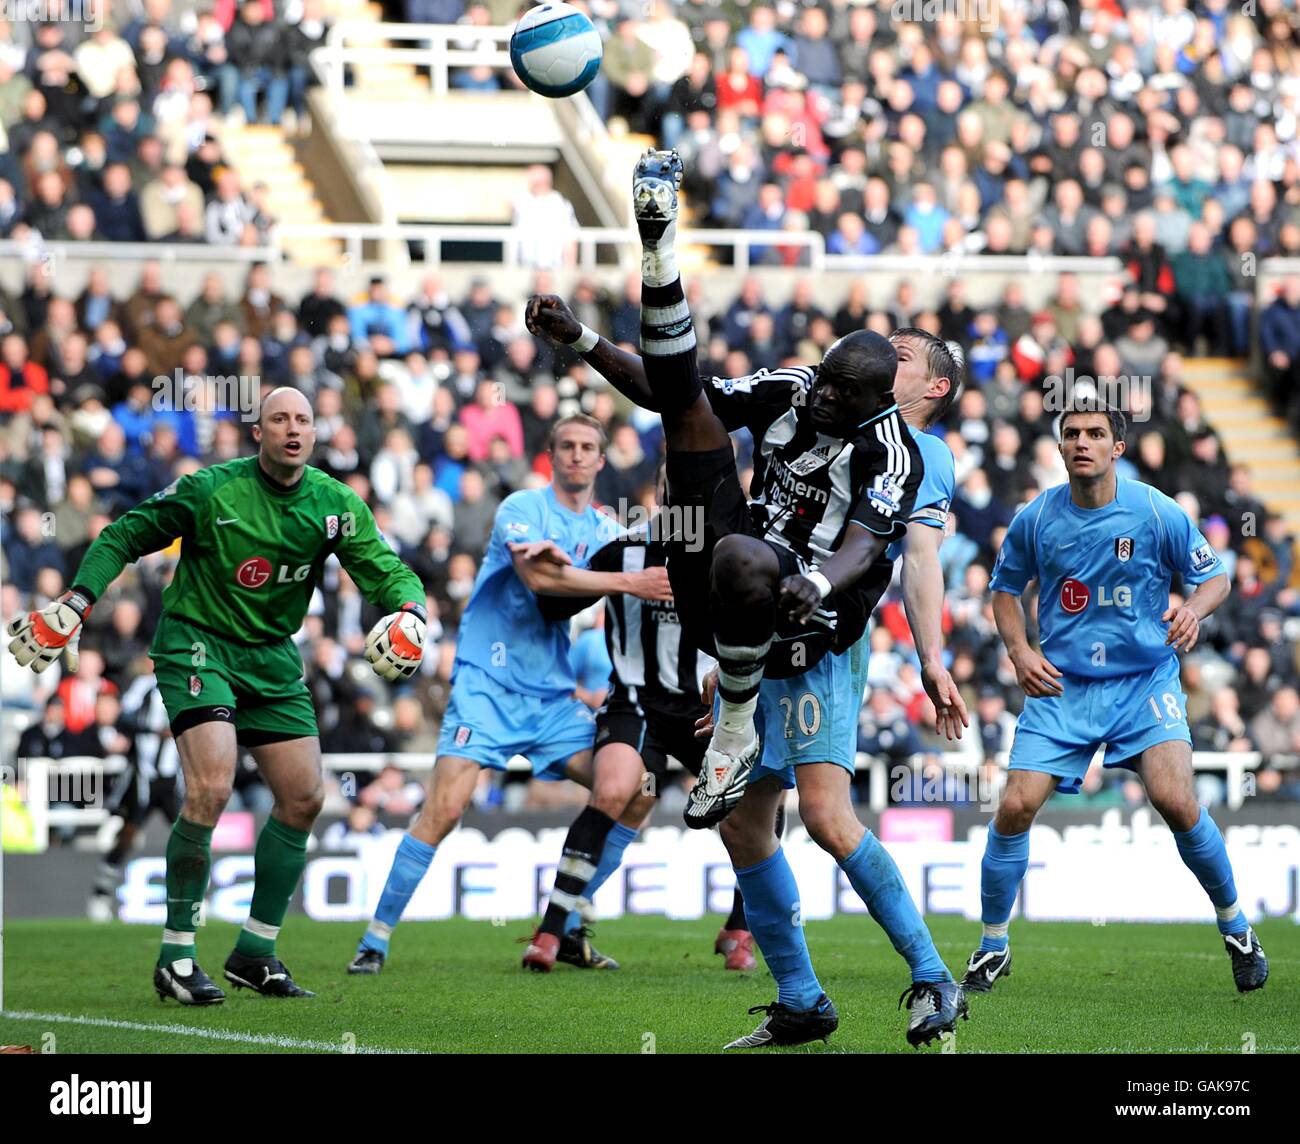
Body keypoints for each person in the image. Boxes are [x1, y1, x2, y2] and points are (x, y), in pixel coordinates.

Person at [523, 301, 970, 1049]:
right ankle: (800, 999)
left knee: (828, 818)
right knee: (742, 824)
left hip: (825, 635)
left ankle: (933, 977)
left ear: (903, 391)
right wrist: (583, 341)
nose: (826, 393)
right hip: (760, 610)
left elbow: (898, 553)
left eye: (890, 363)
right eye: (826, 377)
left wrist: (924, 654)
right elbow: (678, 394)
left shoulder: (913, 453)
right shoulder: (796, 390)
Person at [8, 387, 430, 1005]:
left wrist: (413, 611)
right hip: (197, 643)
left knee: (306, 797)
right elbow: (124, 534)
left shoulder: (336, 504)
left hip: (272, 656)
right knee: (211, 786)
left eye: (304, 420)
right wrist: (77, 602)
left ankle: (255, 951)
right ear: (258, 431)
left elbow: (386, 570)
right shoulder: (212, 490)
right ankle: (177, 954)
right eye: (280, 419)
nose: (293, 429)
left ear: (315, 435)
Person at [346, 415, 671, 975]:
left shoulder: (604, 530)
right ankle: (374, 941)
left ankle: (566, 921)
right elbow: (542, 581)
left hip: (551, 697)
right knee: (444, 810)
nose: (576, 455)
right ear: (551, 456)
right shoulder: (521, 508)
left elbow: (651, 565)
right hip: (486, 687)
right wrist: (626, 581)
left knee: (636, 787)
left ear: (600, 461)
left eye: (587, 448)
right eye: (566, 446)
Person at [964, 405, 1267, 995]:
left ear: (1117, 447)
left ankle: (1236, 928)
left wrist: (1192, 609)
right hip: (1063, 684)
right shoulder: (1037, 518)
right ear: (1060, 447)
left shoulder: (1155, 509)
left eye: (1095, 434)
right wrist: (1020, 652)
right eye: (1071, 434)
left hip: (1143, 680)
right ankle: (993, 945)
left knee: (1176, 800)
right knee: (1014, 807)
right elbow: (1004, 591)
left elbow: (1217, 578)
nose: (1082, 443)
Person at [520, 471, 726, 971]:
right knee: (615, 793)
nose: (680, 498)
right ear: (658, 494)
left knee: (756, 803)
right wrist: (552, 571)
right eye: (672, 488)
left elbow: (757, 623)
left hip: (702, 709)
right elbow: (554, 606)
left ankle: (740, 928)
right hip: (635, 702)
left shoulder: (727, 555)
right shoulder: (623, 551)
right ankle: (550, 933)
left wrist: (729, 666)